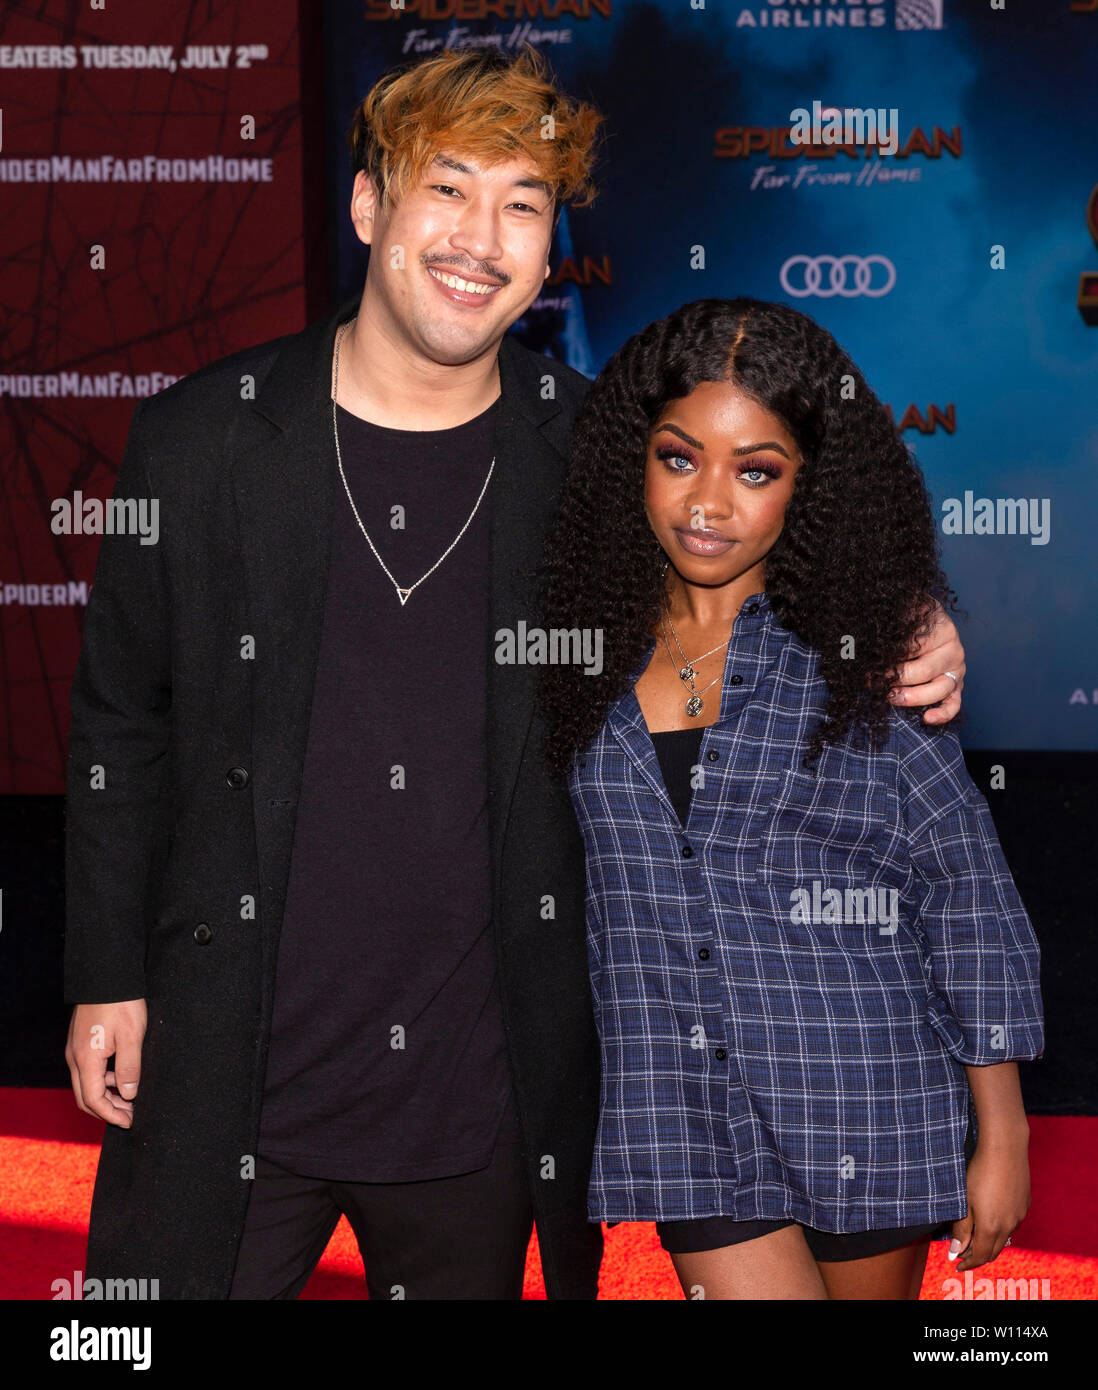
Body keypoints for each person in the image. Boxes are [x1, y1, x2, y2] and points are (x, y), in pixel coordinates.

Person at [62, 48, 968, 1302]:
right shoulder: (202, 436)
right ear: (369, 206)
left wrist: (911, 619)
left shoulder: (597, 453)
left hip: (477, 1095)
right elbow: (122, 720)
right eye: (448, 188)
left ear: (549, 253)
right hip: (224, 1059)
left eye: (522, 204)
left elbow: (763, 563)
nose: (480, 240)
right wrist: (107, 973)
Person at [537, 297, 1043, 1301]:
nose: (707, 503)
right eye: (679, 458)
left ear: (808, 486)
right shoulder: (578, 656)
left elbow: (965, 895)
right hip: (683, 1111)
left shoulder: (868, 660)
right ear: (635, 458)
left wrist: (1007, 1131)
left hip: (868, 1099)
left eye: (755, 470)